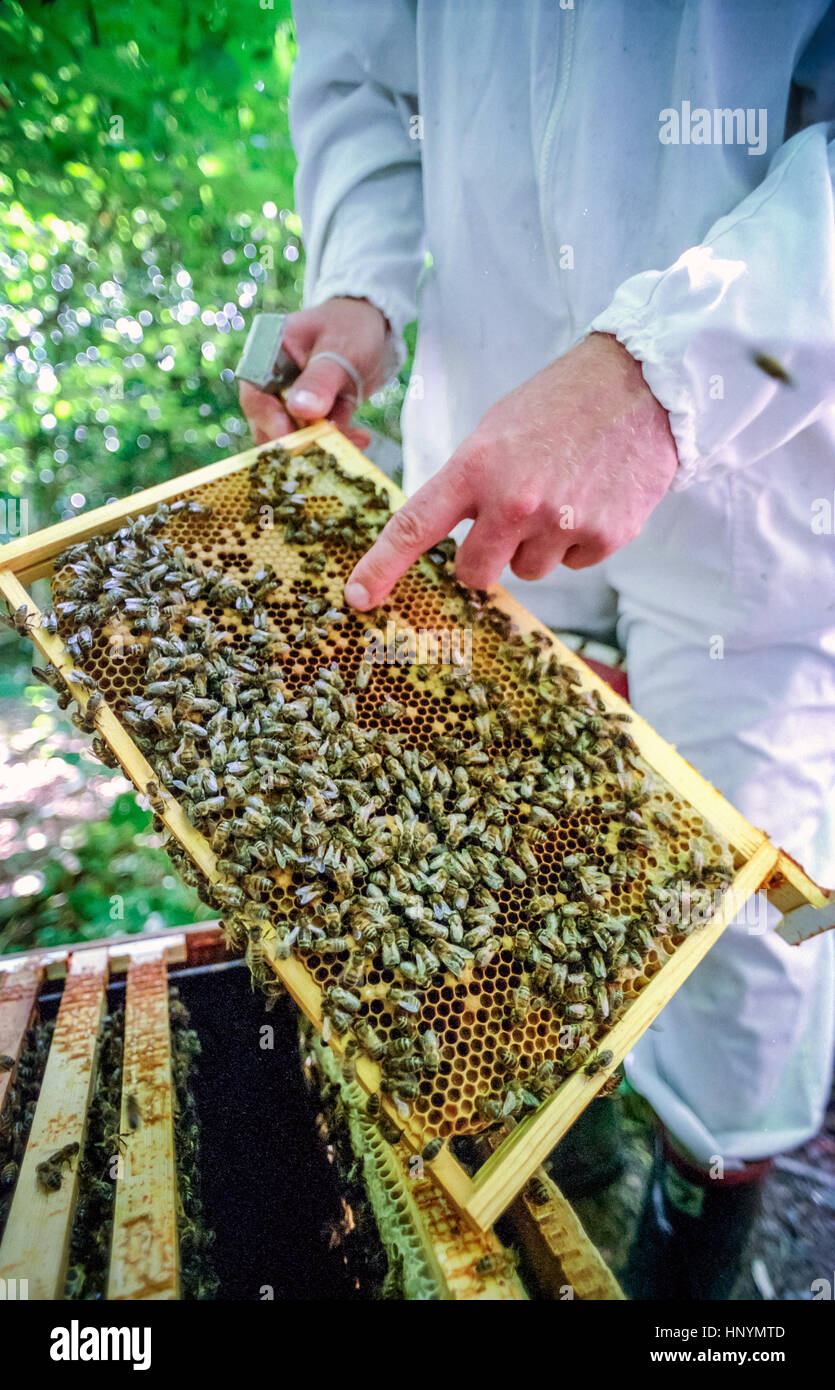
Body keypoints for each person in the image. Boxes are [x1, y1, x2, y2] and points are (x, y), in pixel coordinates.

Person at [240, 1, 835, 1298]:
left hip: (768, 479)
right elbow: (357, 85)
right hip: (484, 468)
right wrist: (360, 284)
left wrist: (669, 366)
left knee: (743, 927)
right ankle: (565, 1127)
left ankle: (698, 1248)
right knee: (507, 843)